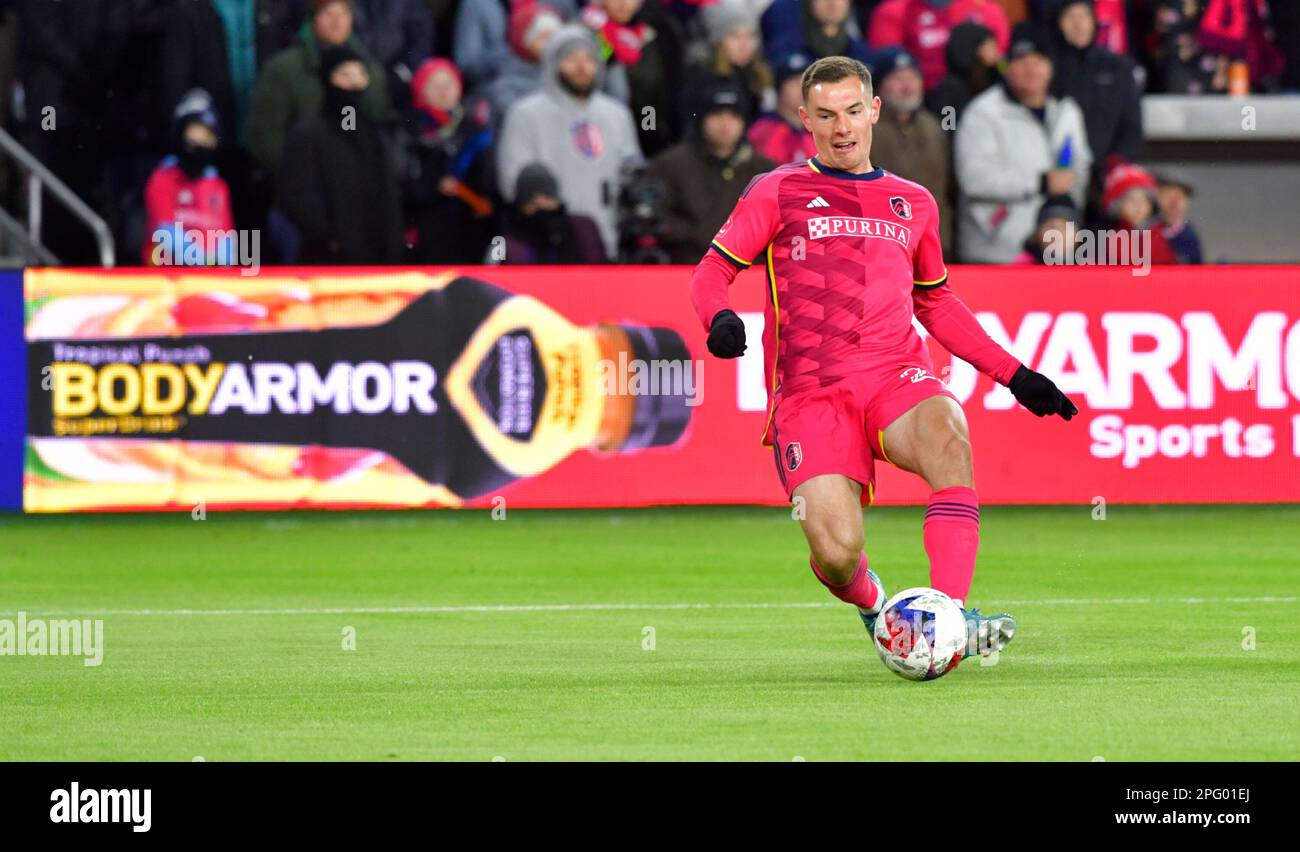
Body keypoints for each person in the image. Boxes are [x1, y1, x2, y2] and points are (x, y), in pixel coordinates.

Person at [688, 55, 1077, 661]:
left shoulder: (914, 202)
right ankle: (875, 605)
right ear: (804, 120)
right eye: (825, 115)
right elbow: (713, 269)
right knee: (836, 549)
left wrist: (1016, 375)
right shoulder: (778, 189)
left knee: (950, 437)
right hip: (810, 392)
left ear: (872, 110)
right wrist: (719, 317)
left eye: (851, 111)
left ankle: (949, 618)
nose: (841, 128)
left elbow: (936, 302)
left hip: (895, 372)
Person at [496, 24, 644, 259]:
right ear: (553, 64)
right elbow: (513, 181)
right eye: (571, 58)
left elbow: (632, 174)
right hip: (549, 249)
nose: (582, 67)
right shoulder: (525, 114)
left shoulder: (617, 114)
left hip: (609, 246)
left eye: (588, 58)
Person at [953, 22, 1091, 263]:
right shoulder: (982, 113)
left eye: (1038, 61)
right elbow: (974, 179)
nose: (1031, 69)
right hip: (995, 251)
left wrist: (1064, 213)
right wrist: (1040, 182)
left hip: (1054, 250)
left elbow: (1081, 167)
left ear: (1050, 67)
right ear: (1007, 67)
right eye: (1021, 61)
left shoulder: (1066, 110)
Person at [276, 44, 404, 263]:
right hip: (328, 259)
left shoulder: (374, 132)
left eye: (360, 74)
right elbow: (297, 195)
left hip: (378, 256)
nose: (354, 83)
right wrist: (330, 237)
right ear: (328, 79)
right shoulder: (309, 134)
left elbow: (389, 193)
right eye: (345, 74)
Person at [245, 0, 393, 174]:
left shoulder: (369, 68)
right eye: (329, 14)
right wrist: (300, 175)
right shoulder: (284, 69)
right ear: (314, 19)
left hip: (357, 182)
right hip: (302, 180)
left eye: (343, 14)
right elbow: (266, 138)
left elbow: (377, 121)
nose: (337, 22)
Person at [644, 81, 776, 264]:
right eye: (716, 114)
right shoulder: (671, 164)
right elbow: (650, 214)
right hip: (684, 270)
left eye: (733, 116)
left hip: (749, 275)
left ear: (744, 122)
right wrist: (691, 232)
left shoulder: (766, 171)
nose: (725, 123)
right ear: (702, 119)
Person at [403, 58, 497, 264]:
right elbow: (402, 178)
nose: (443, 91)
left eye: (449, 84)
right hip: (425, 226)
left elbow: (487, 176)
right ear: (421, 89)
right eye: (435, 85)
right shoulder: (409, 128)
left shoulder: (474, 127)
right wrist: (435, 185)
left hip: (468, 226)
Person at [1047, 0, 1142, 188]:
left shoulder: (1118, 66)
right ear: (1059, 23)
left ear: (1094, 21)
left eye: (1083, 16)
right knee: (1069, 219)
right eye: (1070, 17)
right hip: (1065, 177)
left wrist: (1117, 165)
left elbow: (1132, 124)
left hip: (1106, 178)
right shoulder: (1048, 67)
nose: (1078, 24)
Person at [867, 48, 953, 255]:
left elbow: (949, 189)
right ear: (880, 85)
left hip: (933, 244)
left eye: (913, 77)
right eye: (897, 78)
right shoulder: (864, 128)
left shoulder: (934, 127)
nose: (907, 86)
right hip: (881, 245)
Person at [141, 90, 237, 266]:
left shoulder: (218, 186)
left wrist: (222, 264)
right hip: (166, 277)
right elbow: (165, 233)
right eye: (194, 135)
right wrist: (202, 260)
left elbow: (226, 240)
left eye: (207, 137)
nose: (200, 143)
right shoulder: (162, 179)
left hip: (209, 280)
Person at [868, 0, 1010, 91]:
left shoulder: (987, 11)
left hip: (977, 92)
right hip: (918, 98)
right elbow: (889, 69)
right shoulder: (895, 11)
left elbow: (1001, 63)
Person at [491, 162, 608, 263]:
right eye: (532, 201)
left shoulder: (582, 230)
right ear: (521, 204)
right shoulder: (504, 241)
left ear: (556, 199)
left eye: (547, 197)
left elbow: (600, 271)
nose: (541, 205)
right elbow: (489, 280)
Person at [747, 50, 819, 164]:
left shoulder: (819, 129)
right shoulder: (764, 130)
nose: (801, 89)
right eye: (794, 82)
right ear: (780, 88)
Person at [925, 20, 1001, 120]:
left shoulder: (994, 78)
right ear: (973, 48)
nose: (997, 52)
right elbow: (947, 126)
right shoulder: (948, 91)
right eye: (991, 46)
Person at [1011, 193, 1079, 264]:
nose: (1057, 234)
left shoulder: (1088, 268)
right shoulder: (1021, 267)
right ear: (1037, 233)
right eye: (1051, 227)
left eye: (1064, 227)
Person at [1154, 170, 1203, 265]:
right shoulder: (1141, 232)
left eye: (1181, 196)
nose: (1174, 202)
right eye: (1168, 194)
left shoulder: (1189, 238)